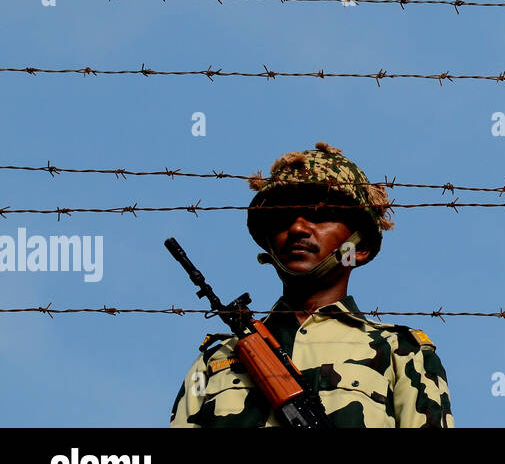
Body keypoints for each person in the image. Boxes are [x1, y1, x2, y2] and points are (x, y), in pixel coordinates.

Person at [169, 141, 453, 428]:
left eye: (319, 215)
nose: (297, 229)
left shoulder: (399, 353)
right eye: (283, 217)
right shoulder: (219, 359)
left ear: (360, 246)